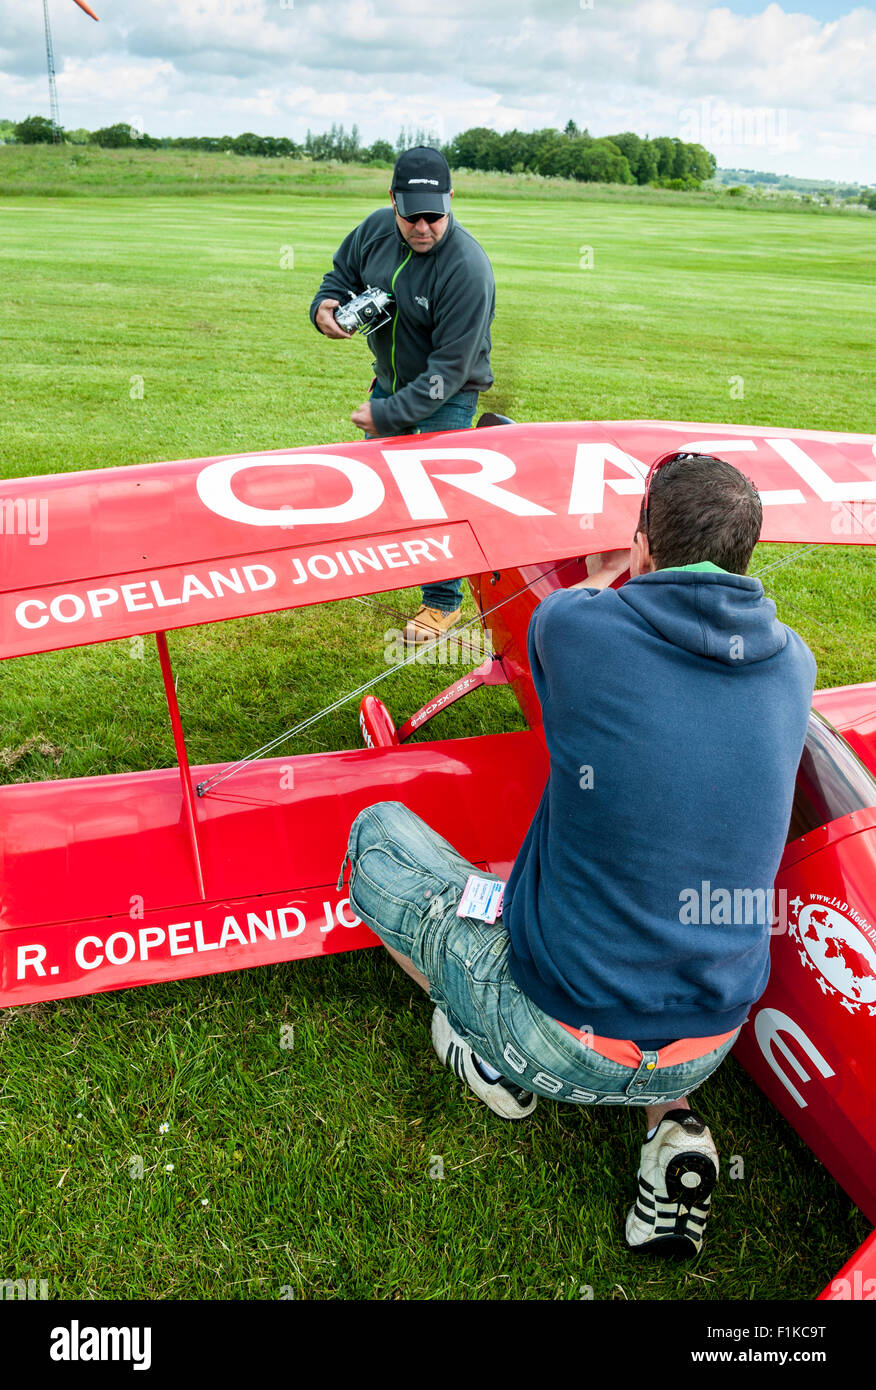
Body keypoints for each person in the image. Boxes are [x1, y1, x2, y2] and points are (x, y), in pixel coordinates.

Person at [338, 451, 817, 1256]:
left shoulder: (571, 626)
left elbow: (585, 609)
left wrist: (604, 572)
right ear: (746, 557)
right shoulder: (795, 663)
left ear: (641, 549)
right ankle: (675, 1129)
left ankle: (495, 1066)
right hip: (709, 1044)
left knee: (377, 836)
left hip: (555, 1038)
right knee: (648, 934)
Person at [309, 146, 496, 643]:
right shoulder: (374, 229)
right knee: (374, 484)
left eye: (435, 216)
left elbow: (450, 370)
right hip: (391, 378)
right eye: (411, 216)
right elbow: (340, 275)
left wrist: (391, 414)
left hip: (450, 391)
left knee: (436, 494)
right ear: (392, 201)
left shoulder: (467, 269)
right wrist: (325, 306)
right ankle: (385, 565)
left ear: (450, 201)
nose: (423, 228)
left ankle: (442, 604)